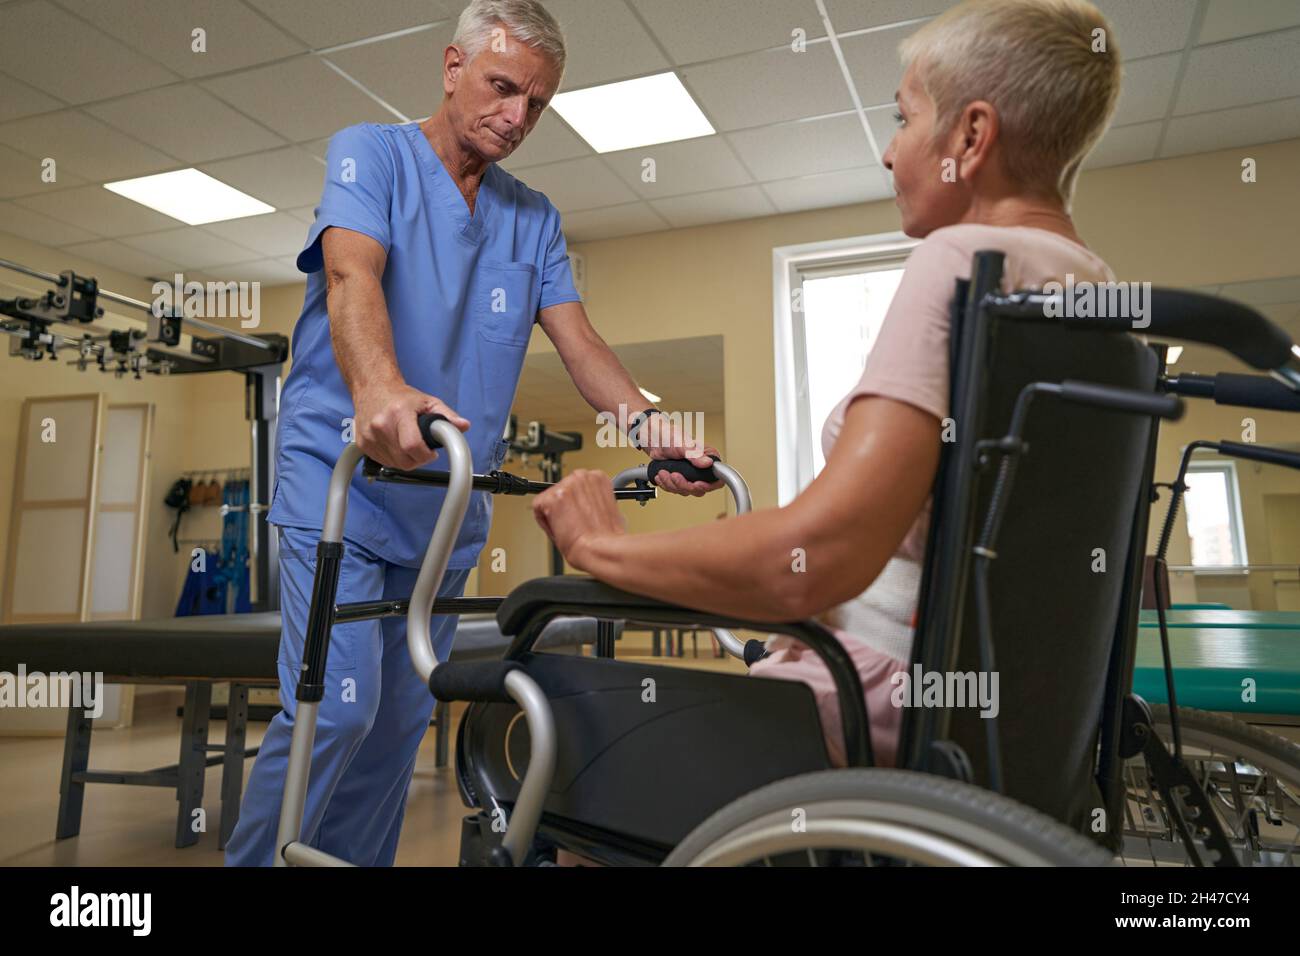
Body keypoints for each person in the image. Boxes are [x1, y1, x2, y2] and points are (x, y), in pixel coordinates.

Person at [531, 0, 1123, 768]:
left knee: (573, 751)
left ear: (971, 138)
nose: (888, 152)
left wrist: (599, 546)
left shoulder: (965, 264)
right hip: (1011, 721)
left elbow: (814, 559)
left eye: (903, 119)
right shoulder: (1098, 292)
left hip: (880, 704)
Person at [226, 0, 718, 867]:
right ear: (453, 68)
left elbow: (582, 343)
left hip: (446, 512)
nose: (517, 117)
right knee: (338, 708)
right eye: (502, 88)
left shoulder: (532, 218)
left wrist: (656, 432)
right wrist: (379, 388)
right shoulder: (369, 154)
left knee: (399, 727)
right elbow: (351, 273)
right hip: (340, 488)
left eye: (537, 103)